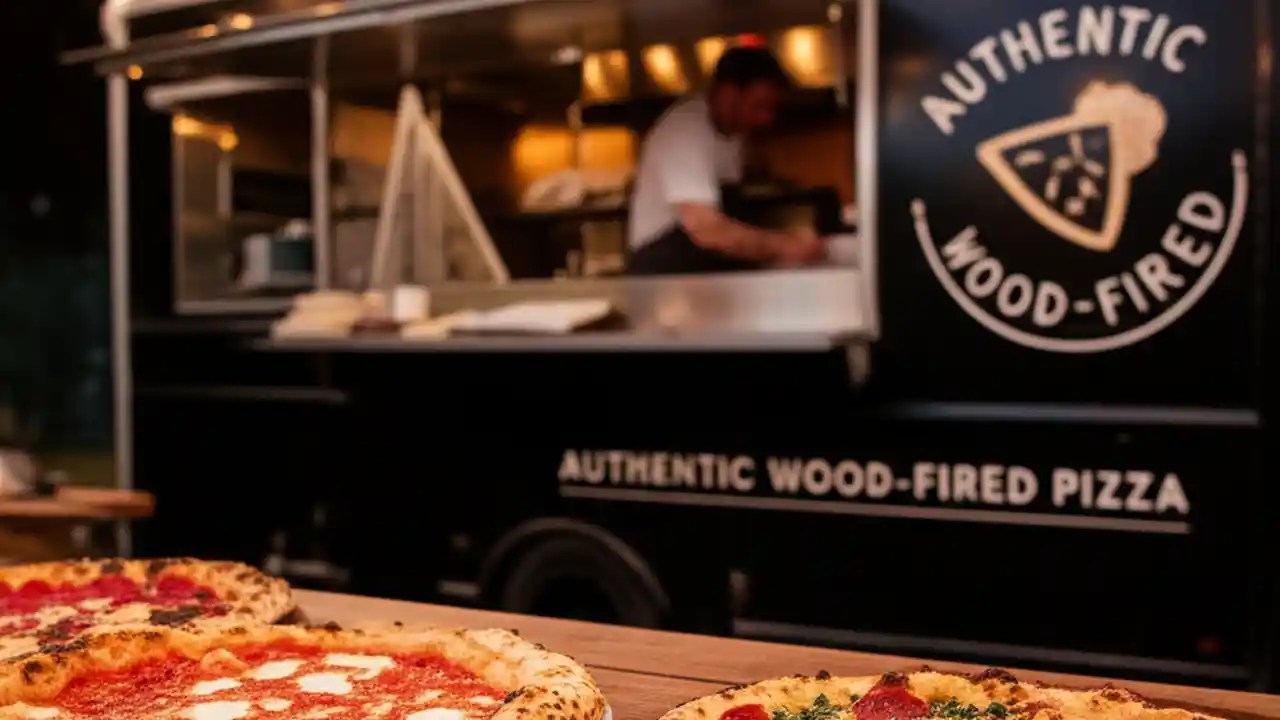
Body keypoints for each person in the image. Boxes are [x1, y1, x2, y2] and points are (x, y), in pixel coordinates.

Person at [626, 46, 826, 276]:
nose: (766, 119)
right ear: (728, 93)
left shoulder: (734, 132)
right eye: (759, 107)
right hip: (662, 274)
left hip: (699, 272)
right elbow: (707, 229)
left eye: (771, 109)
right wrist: (785, 245)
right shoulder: (684, 131)